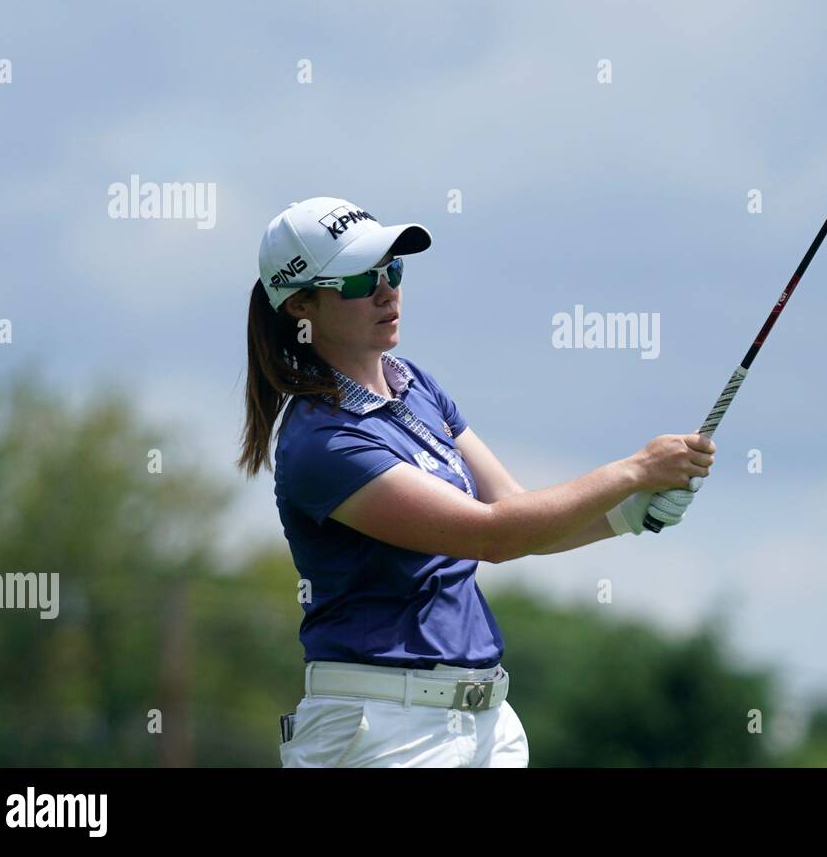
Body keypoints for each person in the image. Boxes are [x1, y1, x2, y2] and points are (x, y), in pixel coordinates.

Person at [237, 196, 716, 767]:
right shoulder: (322, 441)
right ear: (300, 305)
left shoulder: (414, 384)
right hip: (385, 732)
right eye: (362, 278)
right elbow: (492, 536)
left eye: (394, 269)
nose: (387, 289)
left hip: (487, 724)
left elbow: (517, 512)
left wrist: (631, 513)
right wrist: (634, 470)